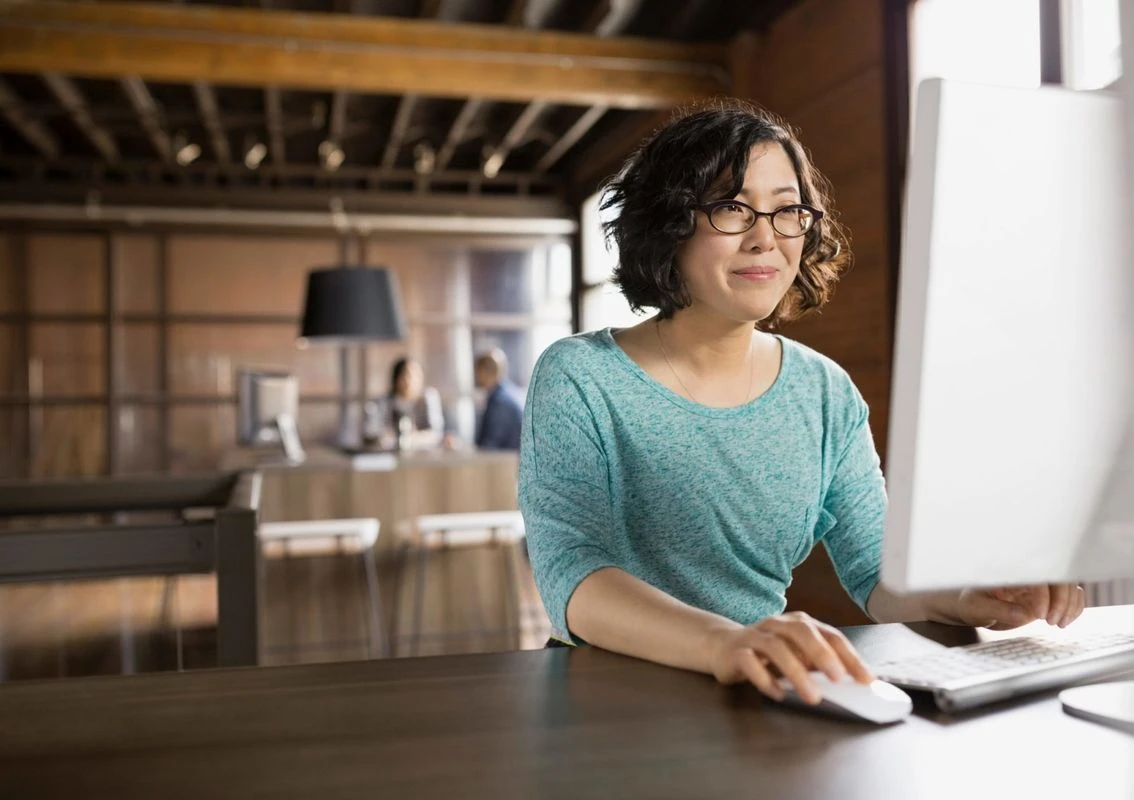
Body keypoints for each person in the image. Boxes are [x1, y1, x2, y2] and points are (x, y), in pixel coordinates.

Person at [518, 99, 1087, 706]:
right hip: (604, 700)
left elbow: (875, 570)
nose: (766, 237)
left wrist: (967, 597)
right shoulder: (580, 376)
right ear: (670, 222)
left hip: (758, 692)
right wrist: (724, 643)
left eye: (787, 210)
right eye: (733, 208)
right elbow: (571, 576)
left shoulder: (825, 391)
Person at [388, 357, 446, 450]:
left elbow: (436, 433)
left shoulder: (429, 397)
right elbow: (380, 438)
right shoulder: (386, 402)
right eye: (405, 375)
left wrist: (408, 439)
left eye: (415, 375)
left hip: (426, 454)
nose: (409, 380)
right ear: (396, 378)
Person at [474, 349, 524, 451]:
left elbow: (490, 446)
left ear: (483, 372)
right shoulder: (510, 392)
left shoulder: (499, 402)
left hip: (508, 463)